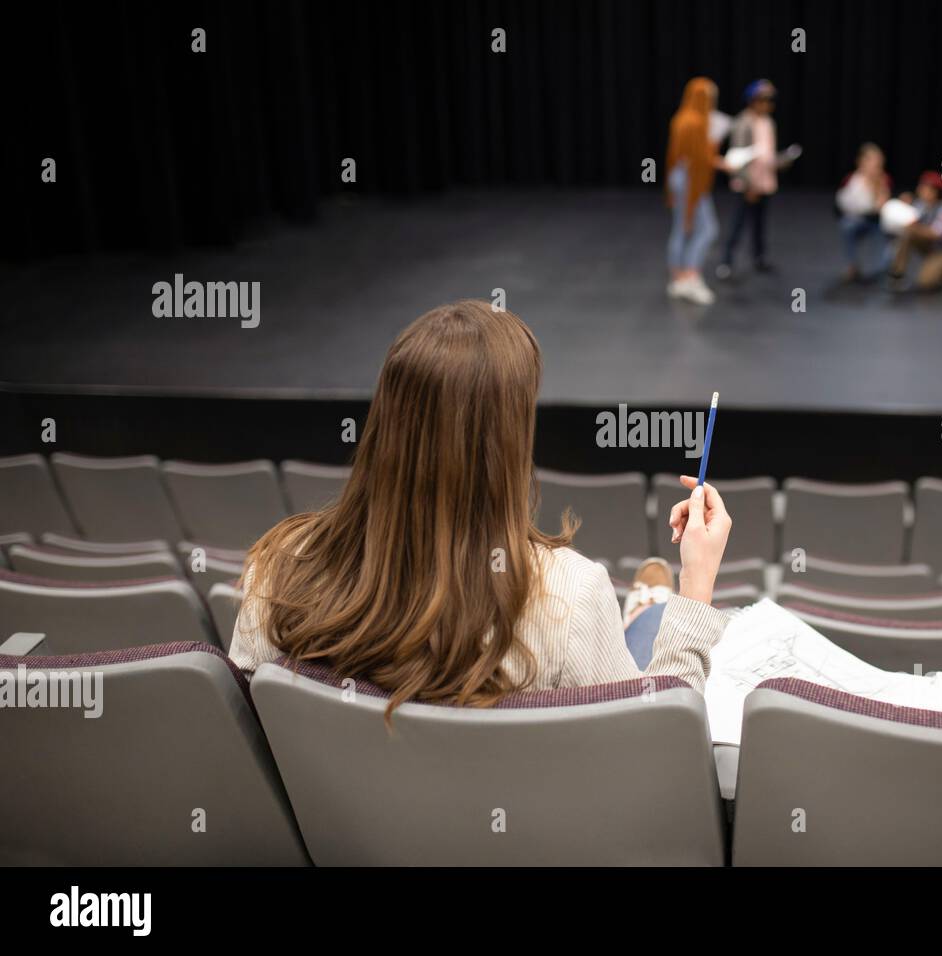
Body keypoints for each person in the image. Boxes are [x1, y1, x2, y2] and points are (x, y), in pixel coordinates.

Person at [229, 300, 734, 713]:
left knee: (641, 621)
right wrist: (698, 583)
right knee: (662, 622)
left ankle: (646, 607)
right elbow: (656, 751)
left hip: (344, 836)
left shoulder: (276, 571)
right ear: (508, 444)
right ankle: (653, 606)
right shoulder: (569, 597)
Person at [665, 77, 727, 305]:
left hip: (680, 176)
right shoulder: (696, 122)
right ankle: (690, 275)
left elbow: (673, 157)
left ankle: (679, 278)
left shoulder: (681, 119)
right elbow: (699, 159)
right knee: (707, 228)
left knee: (681, 227)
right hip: (691, 179)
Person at [717, 79, 782, 278]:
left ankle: (759, 257)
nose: (768, 104)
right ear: (753, 101)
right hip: (748, 183)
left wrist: (779, 161)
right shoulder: (743, 122)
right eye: (764, 100)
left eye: (770, 100)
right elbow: (737, 157)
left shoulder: (768, 122)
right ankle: (726, 262)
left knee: (760, 223)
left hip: (764, 181)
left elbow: (766, 152)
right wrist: (748, 185)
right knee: (739, 222)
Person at [888, 171, 942, 292]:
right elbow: (910, 220)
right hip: (925, 246)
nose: (919, 190)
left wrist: (912, 226)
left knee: (925, 283)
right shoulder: (920, 204)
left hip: (940, 251)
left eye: (924, 187)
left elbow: (935, 234)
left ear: (935, 191)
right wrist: (905, 207)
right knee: (906, 235)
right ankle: (897, 274)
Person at [835, 143, 893, 281]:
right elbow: (842, 202)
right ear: (861, 162)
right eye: (872, 161)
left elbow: (881, 206)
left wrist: (876, 185)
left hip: (877, 221)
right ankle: (853, 265)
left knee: (888, 234)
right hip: (857, 220)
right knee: (846, 226)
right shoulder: (852, 179)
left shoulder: (883, 179)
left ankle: (885, 268)